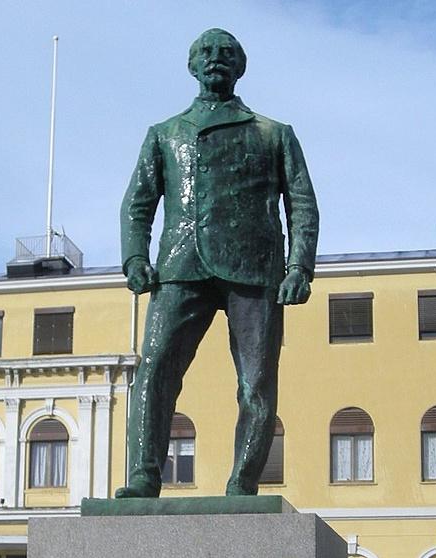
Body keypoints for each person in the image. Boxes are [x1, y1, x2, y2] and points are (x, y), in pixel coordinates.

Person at [117, 28, 319, 498]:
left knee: (256, 382)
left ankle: (242, 482)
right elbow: (138, 204)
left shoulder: (273, 133)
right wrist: (134, 258)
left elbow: (302, 204)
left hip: (254, 268)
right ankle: (144, 475)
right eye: (205, 52)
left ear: (240, 66)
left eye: (226, 52)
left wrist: (299, 267)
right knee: (155, 369)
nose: (215, 59)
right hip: (181, 265)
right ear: (191, 66)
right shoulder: (164, 134)